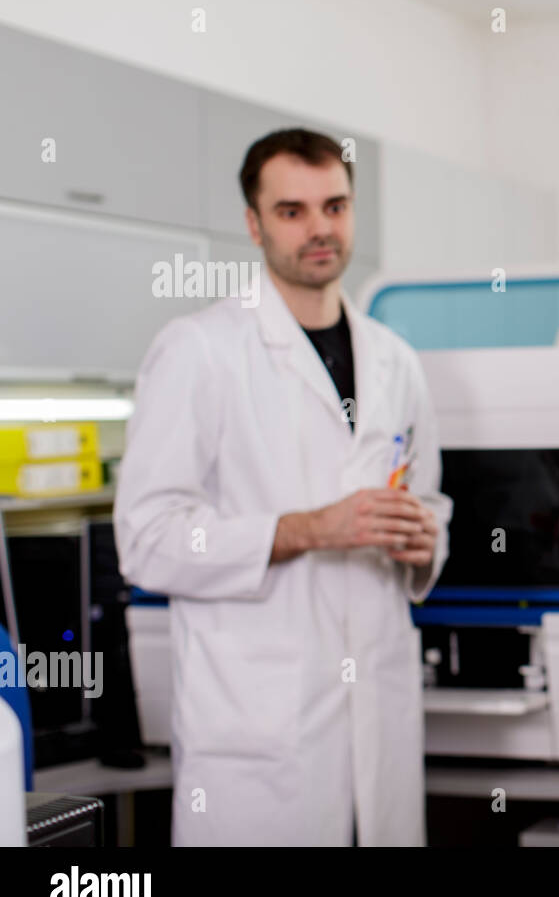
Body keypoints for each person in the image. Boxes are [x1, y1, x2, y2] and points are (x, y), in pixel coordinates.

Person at [114, 129, 452, 846]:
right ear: (254, 223)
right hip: (260, 738)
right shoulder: (199, 349)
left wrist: (426, 539)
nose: (320, 228)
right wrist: (306, 528)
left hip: (378, 727)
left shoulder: (396, 361)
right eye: (292, 210)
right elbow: (146, 541)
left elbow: (427, 500)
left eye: (335, 205)